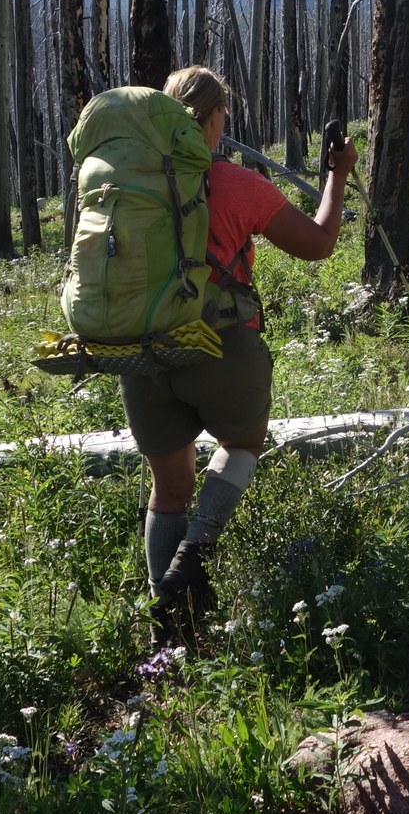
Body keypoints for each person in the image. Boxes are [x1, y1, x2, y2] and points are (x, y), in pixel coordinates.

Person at [127, 66, 355, 631]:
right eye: (223, 115)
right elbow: (321, 243)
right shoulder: (236, 184)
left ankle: (170, 628)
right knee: (244, 441)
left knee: (167, 488)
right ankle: (192, 561)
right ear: (212, 120)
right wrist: (337, 176)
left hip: (142, 353)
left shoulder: (130, 185)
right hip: (222, 346)